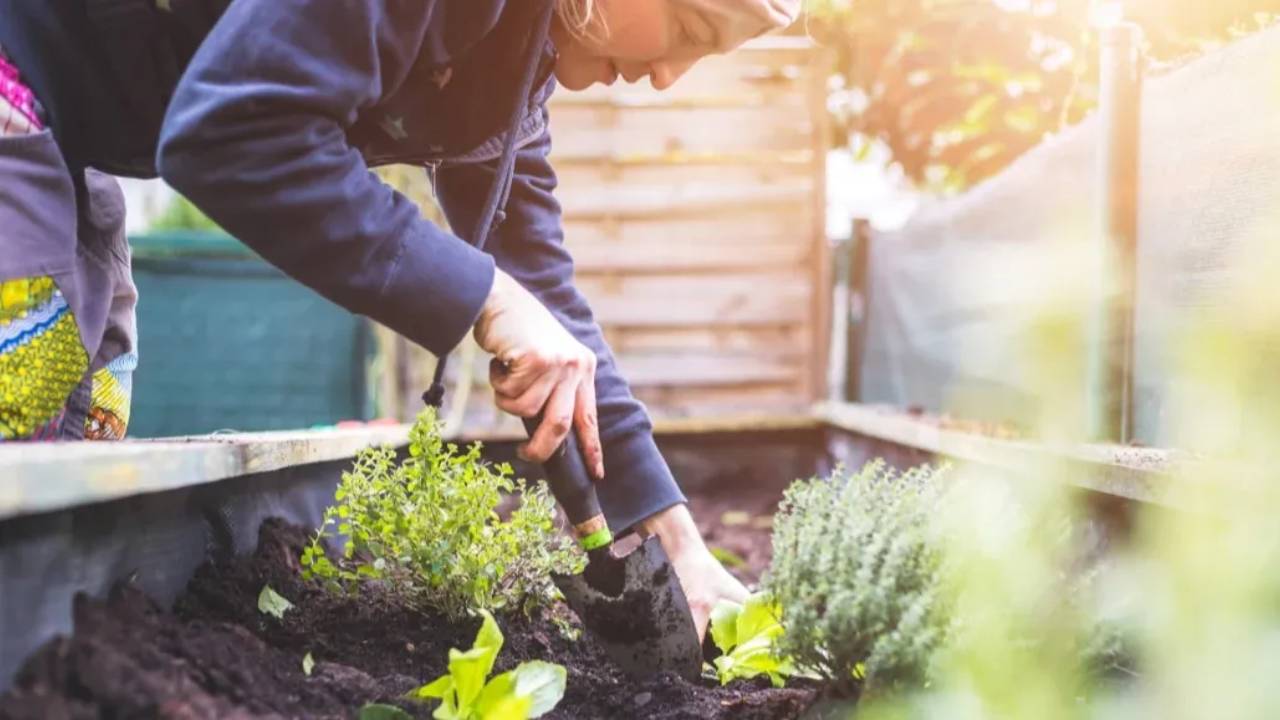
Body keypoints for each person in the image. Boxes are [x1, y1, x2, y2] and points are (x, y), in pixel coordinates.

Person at [0, 0, 800, 636]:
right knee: (18, 421)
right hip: (17, 71)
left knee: (73, 453)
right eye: (690, 27)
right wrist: (485, 298)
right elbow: (233, 134)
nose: (671, 77)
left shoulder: (510, 61)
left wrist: (676, 542)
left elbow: (546, 302)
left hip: (72, 128)